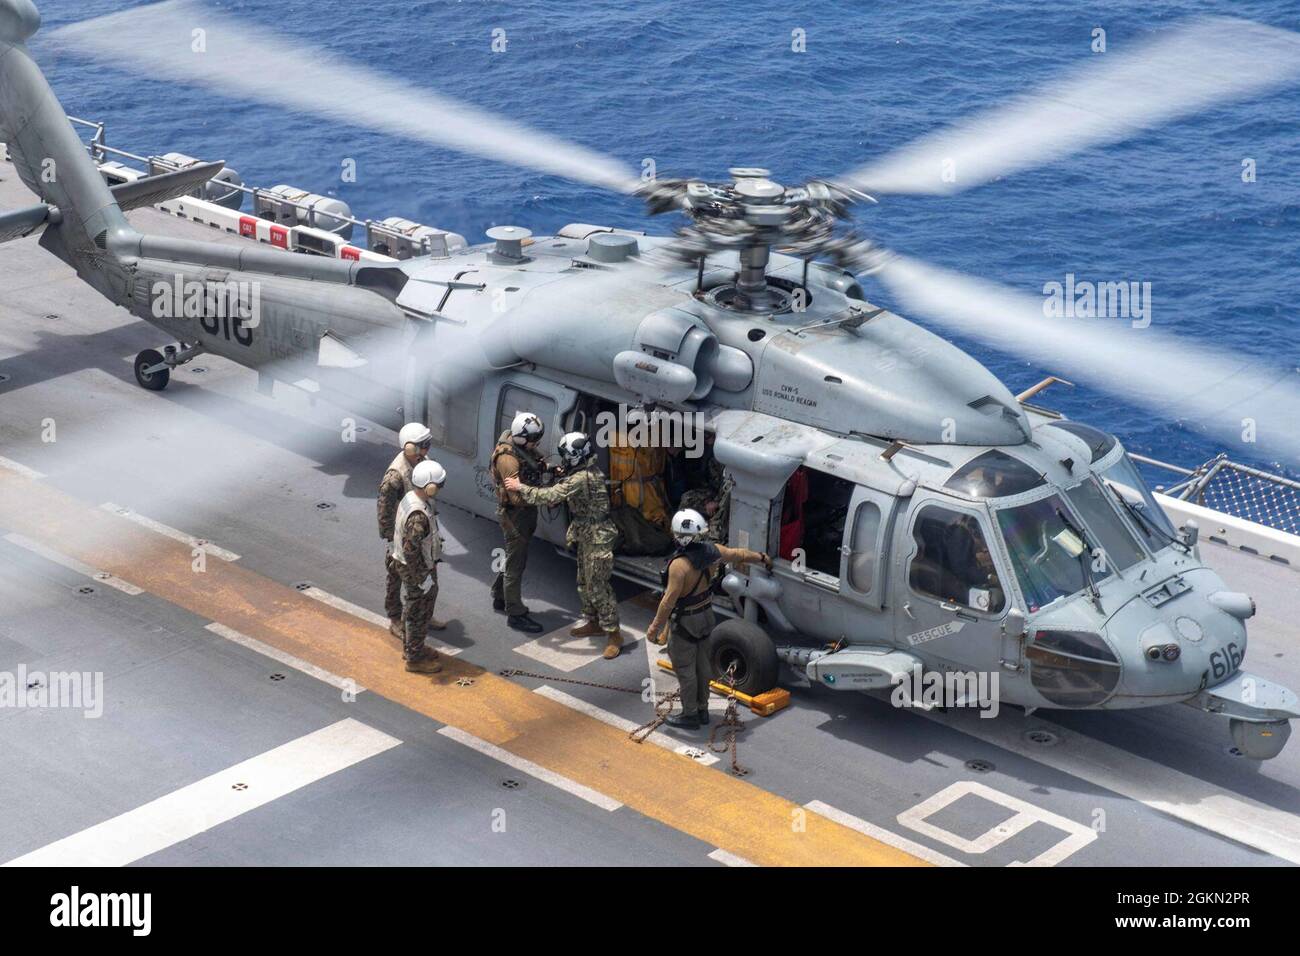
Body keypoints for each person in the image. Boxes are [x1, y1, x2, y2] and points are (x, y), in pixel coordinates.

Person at [646, 509, 771, 729]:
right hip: (706, 616)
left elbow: (668, 601)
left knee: (686, 670)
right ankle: (703, 710)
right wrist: (761, 558)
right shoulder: (714, 552)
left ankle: (690, 714)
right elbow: (739, 554)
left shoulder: (679, 566)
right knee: (703, 667)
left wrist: (655, 627)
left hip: (686, 622)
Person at [503, 432, 623, 659]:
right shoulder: (583, 471)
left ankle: (614, 634)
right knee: (583, 581)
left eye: (567, 457)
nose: (565, 460)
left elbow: (551, 495)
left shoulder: (581, 478)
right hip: (586, 533)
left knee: (598, 586)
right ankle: (594, 621)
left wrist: (520, 488)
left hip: (597, 537)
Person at [378, 422, 445, 645]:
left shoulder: (422, 463)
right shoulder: (395, 476)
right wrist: (391, 541)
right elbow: (385, 511)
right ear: (410, 448)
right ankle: (396, 618)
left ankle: (424, 614)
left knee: (428, 577)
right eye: (423, 445)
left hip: (419, 528)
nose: (427, 450)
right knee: (396, 577)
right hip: (400, 533)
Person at [489, 411, 548, 633]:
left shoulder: (518, 447)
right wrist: (544, 494)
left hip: (521, 513)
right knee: (516, 563)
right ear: (523, 439)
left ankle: (499, 595)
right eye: (534, 441)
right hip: (515, 515)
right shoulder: (508, 460)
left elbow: (534, 461)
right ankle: (515, 613)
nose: (536, 444)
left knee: (513, 556)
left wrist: (548, 468)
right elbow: (516, 496)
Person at [391, 459, 449, 673]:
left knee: (412, 607)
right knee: (419, 612)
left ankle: (412, 647)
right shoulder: (418, 516)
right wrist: (421, 577)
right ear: (430, 486)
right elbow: (411, 548)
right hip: (416, 568)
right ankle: (415, 659)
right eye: (438, 485)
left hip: (408, 564)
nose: (440, 489)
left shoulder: (410, 497)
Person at [677, 433, 732, 542]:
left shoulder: (727, 458)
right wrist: (706, 499)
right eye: (705, 436)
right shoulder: (710, 454)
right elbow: (709, 481)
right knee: (687, 498)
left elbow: (727, 485)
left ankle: (713, 538)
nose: (706, 439)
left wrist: (715, 501)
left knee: (720, 512)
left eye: (709, 436)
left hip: (725, 496)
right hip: (713, 491)